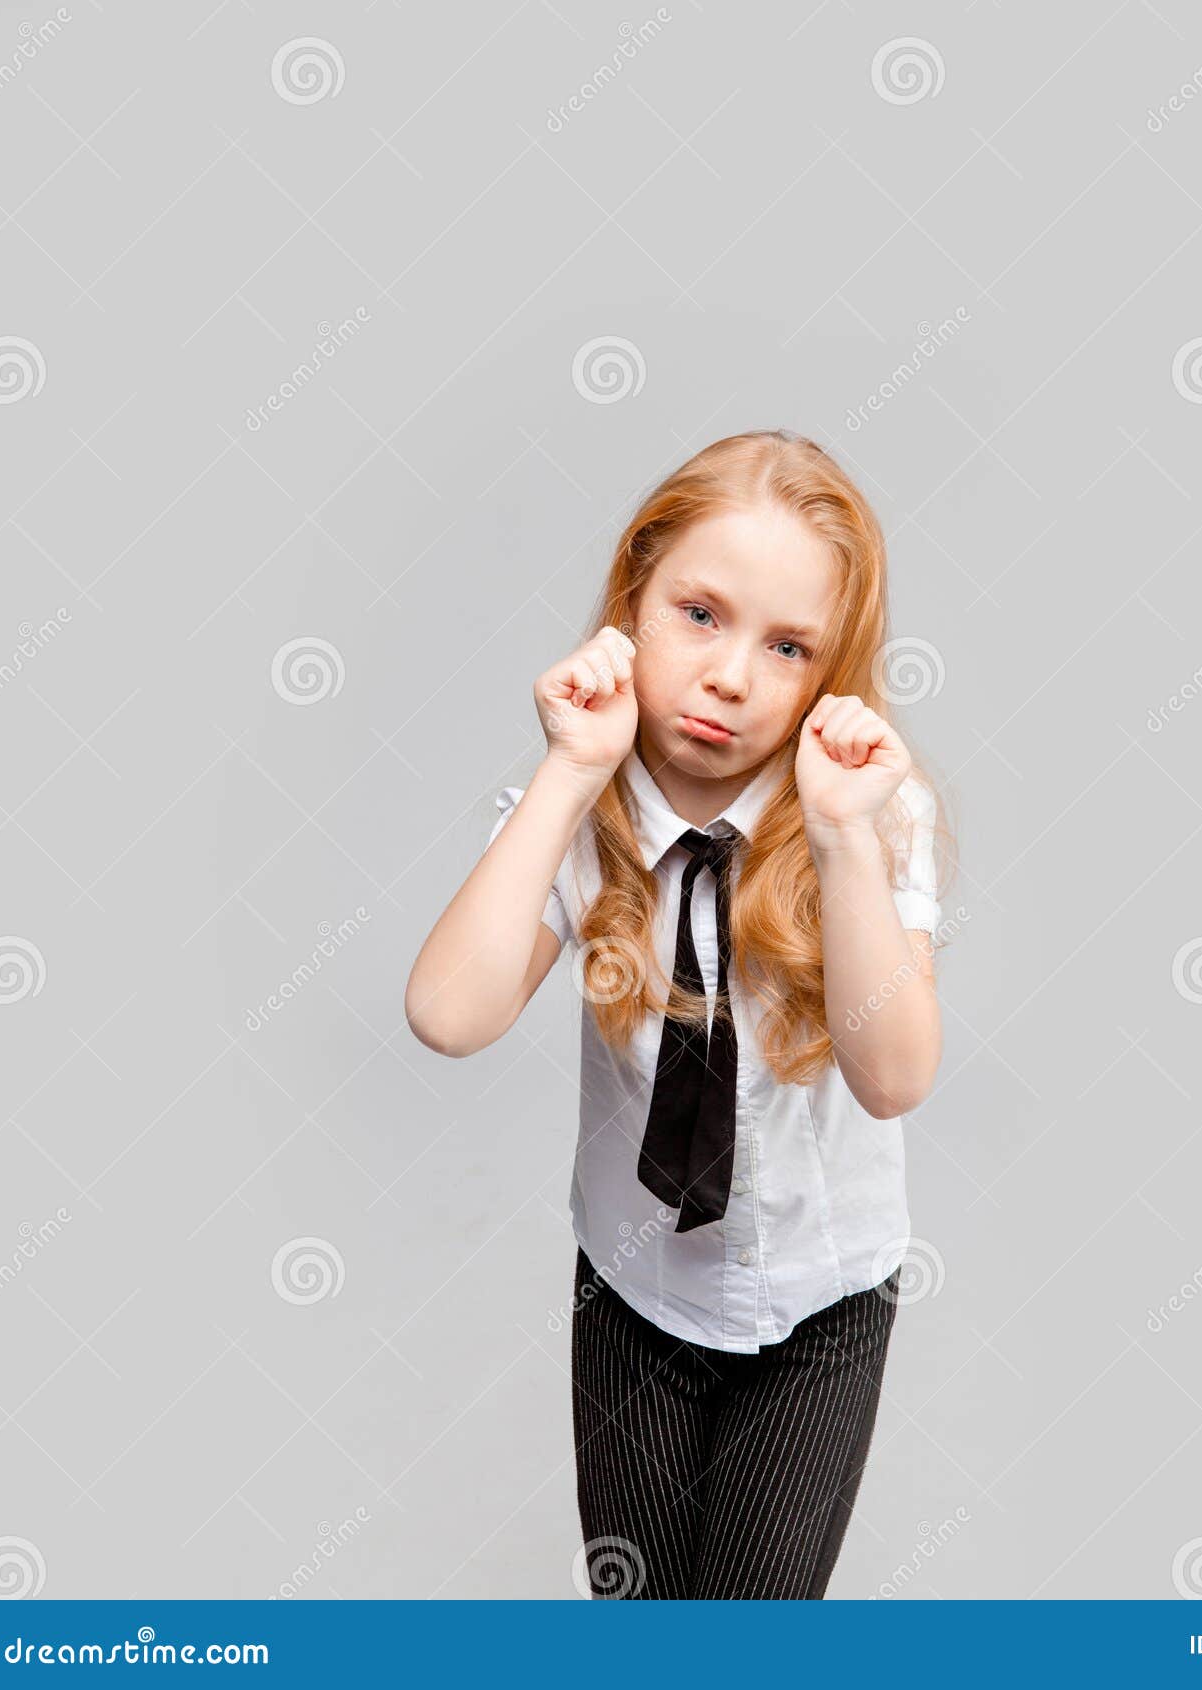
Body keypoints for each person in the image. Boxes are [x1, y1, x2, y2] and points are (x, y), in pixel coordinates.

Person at [405, 428, 954, 1599]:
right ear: (631, 603)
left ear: (830, 672)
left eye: (788, 645)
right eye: (699, 614)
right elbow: (449, 1014)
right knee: (641, 1621)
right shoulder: (580, 810)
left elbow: (894, 1076)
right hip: (633, 1289)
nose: (731, 676)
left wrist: (848, 838)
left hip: (821, 1303)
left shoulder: (869, 817)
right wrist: (566, 770)